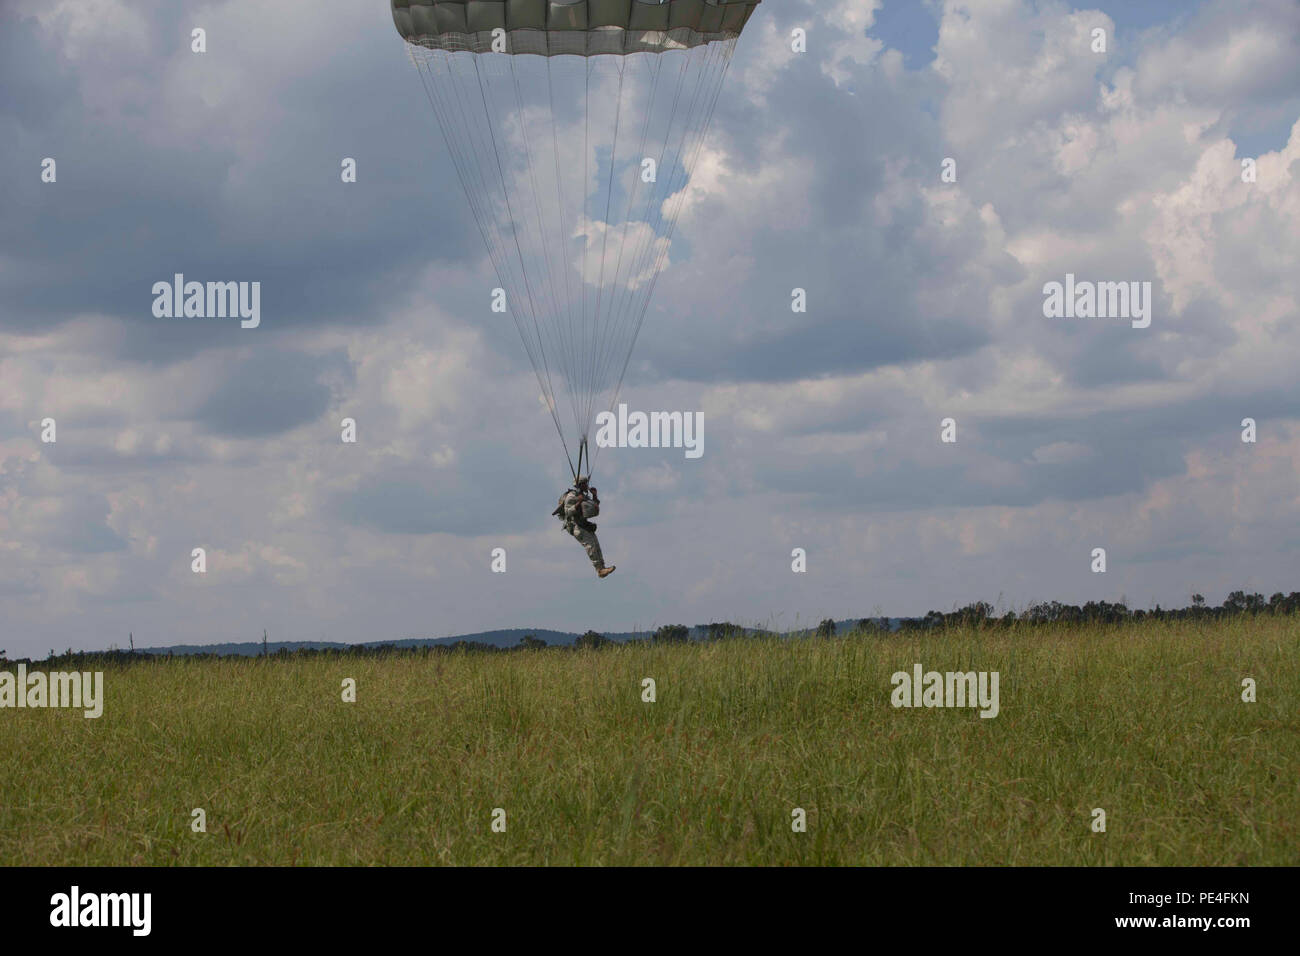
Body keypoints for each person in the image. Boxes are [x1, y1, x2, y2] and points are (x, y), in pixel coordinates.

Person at [553, 476, 615, 578]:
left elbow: (593, 505)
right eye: (585, 483)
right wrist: (579, 502)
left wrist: (594, 495)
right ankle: (599, 569)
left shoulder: (582, 495)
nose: (587, 485)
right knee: (590, 546)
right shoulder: (571, 496)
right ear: (580, 485)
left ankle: (602, 568)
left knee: (596, 545)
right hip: (576, 526)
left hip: (583, 524)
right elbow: (568, 511)